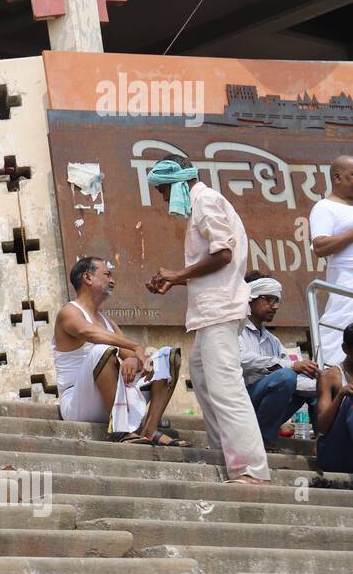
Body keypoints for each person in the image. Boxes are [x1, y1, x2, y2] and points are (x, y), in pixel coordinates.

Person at [145, 155, 270, 484]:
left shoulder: (206, 200)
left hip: (219, 310)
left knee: (227, 387)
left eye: (162, 191)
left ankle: (251, 470)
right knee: (201, 374)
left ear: (177, 183)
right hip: (210, 311)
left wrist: (177, 272)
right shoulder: (201, 204)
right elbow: (215, 266)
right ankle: (223, 451)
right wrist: (175, 280)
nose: (162, 199)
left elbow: (223, 254)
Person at [53, 256, 187, 446]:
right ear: (88, 278)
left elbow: (132, 354)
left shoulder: (108, 321)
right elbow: (87, 332)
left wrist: (132, 359)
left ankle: (150, 429)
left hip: (114, 400)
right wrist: (133, 347)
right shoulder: (69, 312)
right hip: (78, 404)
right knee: (102, 350)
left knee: (167, 357)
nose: (112, 281)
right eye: (107, 275)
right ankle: (121, 430)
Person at [238, 271, 320, 442]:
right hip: (241, 404)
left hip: (262, 405)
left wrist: (324, 384)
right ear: (250, 298)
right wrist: (291, 366)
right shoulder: (235, 330)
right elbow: (243, 360)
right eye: (269, 299)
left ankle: (323, 442)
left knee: (316, 388)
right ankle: (263, 439)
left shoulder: (272, 340)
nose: (275, 306)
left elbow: (295, 377)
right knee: (286, 376)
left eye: (277, 301)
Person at [310, 155, 353, 367]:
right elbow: (320, 246)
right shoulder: (325, 207)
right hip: (347, 279)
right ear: (337, 178)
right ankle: (332, 379)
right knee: (342, 330)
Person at [314, 323, 353, 474]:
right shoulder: (329, 376)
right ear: (346, 349)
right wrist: (341, 394)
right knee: (351, 399)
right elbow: (322, 426)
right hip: (334, 452)